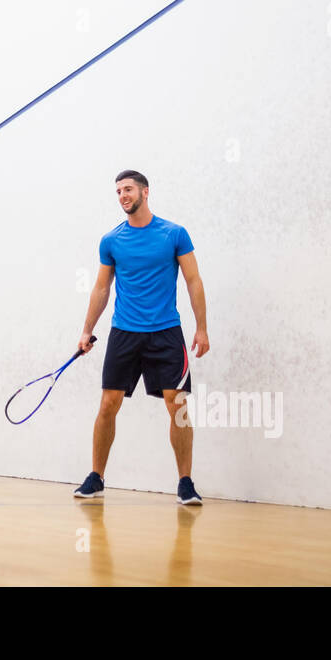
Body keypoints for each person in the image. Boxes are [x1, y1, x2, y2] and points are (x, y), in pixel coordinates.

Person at [73, 171, 209, 505]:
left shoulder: (174, 234)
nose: (123, 195)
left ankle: (186, 483)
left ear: (145, 192)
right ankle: (96, 477)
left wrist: (201, 328)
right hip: (124, 333)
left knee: (177, 405)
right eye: (118, 191)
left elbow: (193, 280)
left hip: (166, 332)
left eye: (128, 189)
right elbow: (101, 288)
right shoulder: (111, 241)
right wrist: (87, 329)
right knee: (108, 404)